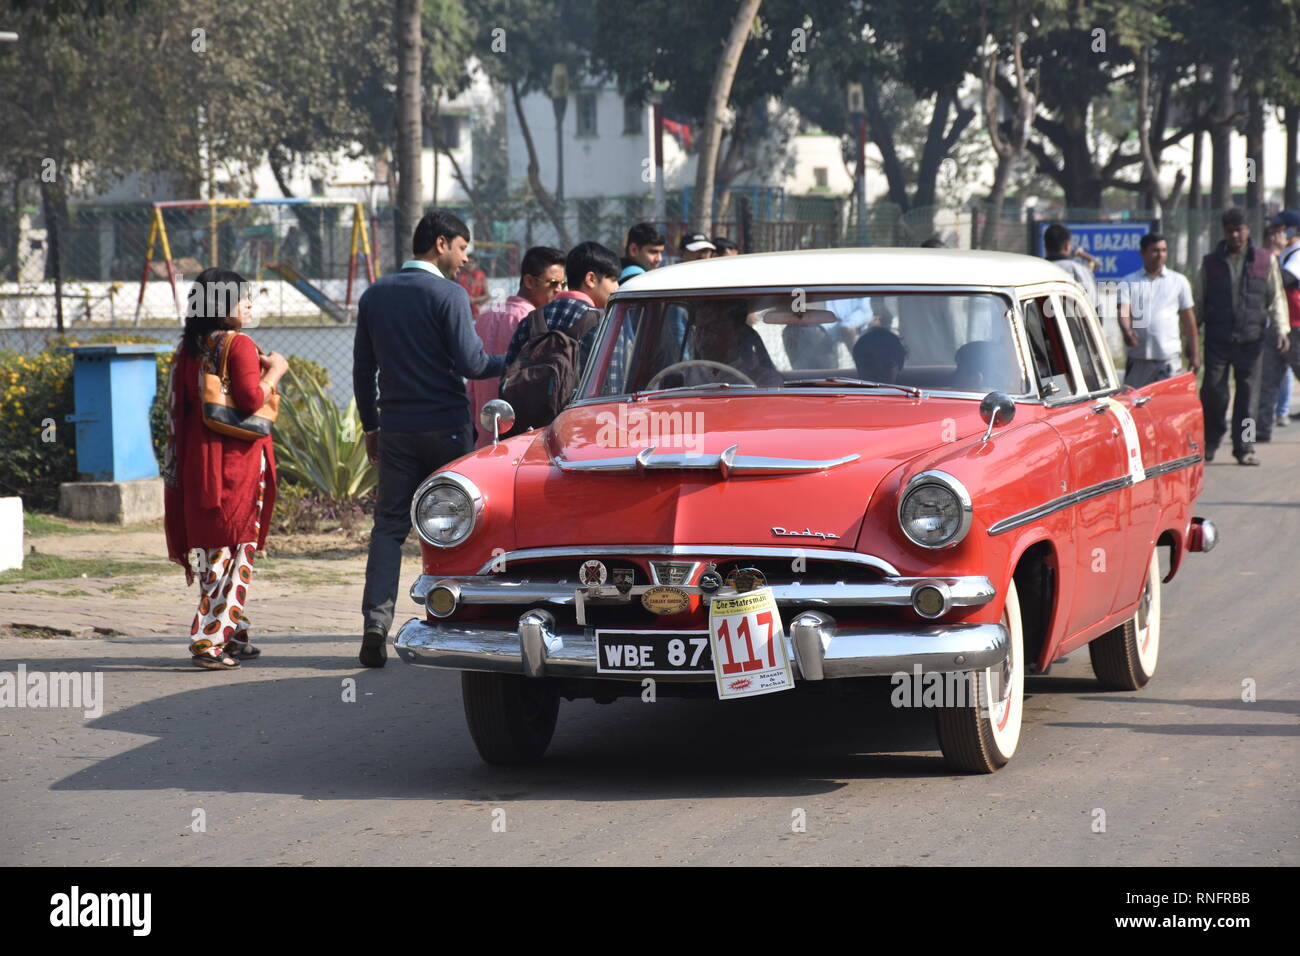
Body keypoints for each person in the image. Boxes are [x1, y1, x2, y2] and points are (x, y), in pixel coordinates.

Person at [353, 210, 505, 666]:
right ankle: (459, 622)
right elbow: (473, 365)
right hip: (447, 431)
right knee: (461, 527)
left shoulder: (374, 295)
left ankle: (375, 625)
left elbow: (364, 371)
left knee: (389, 528)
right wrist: (515, 359)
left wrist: (371, 429)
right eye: (462, 249)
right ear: (440, 244)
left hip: (396, 430)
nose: (464, 260)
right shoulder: (449, 295)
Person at [163, 268, 288, 670]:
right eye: (241, 298)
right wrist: (276, 371)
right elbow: (251, 400)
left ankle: (234, 632)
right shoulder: (239, 345)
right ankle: (209, 642)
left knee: (212, 554)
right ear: (220, 306)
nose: (249, 305)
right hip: (235, 470)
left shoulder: (189, 349)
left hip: (197, 466)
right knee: (235, 552)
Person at [1194, 207, 1291, 465]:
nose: (1235, 235)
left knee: (1248, 397)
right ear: (1224, 233)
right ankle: (1211, 442)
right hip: (1217, 339)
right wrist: (1190, 342)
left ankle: (1244, 448)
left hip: (1252, 339)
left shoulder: (1264, 260)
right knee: (1213, 391)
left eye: (1239, 230)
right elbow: (1198, 303)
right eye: (1230, 231)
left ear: (1248, 231)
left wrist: (1281, 329)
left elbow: (1276, 297)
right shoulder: (1209, 263)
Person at [467, 246, 565, 447]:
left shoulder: (485, 318)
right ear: (529, 281)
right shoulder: (534, 323)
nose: (559, 291)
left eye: (563, 284)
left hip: (483, 433)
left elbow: (471, 385)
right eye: (553, 283)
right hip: (518, 439)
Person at [502, 241, 622, 372]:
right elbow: (614, 383)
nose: (617, 287)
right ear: (591, 279)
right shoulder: (605, 324)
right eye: (613, 279)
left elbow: (507, 376)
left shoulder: (530, 320)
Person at [1116, 232, 1199, 388]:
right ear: (1143, 252)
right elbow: (1123, 311)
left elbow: (1189, 321)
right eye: (1155, 250)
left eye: (1163, 250)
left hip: (1168, 359)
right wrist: (1126, 331)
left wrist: (1195, 354)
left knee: (1168, 406)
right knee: (1136, 404)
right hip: (1138, 359)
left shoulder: (1178, 281)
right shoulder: (1129, 281)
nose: (1160, 255)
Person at [1258, 213, 1300, 434]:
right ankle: (1262, 429)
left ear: (1292, 231)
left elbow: (1281, 280)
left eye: (1279, 228)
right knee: (1268, 378)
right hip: (1277, 326)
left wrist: (1272, 253)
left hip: (1296, 326)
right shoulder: (1281, 254)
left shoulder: (1297, 254)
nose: (1274, 233)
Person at [1043, 223, 1098, 308]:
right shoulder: (1078, 270)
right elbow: (1094, 306)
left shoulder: (1037, 269)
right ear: (1067, 246)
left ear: (1045, 246)